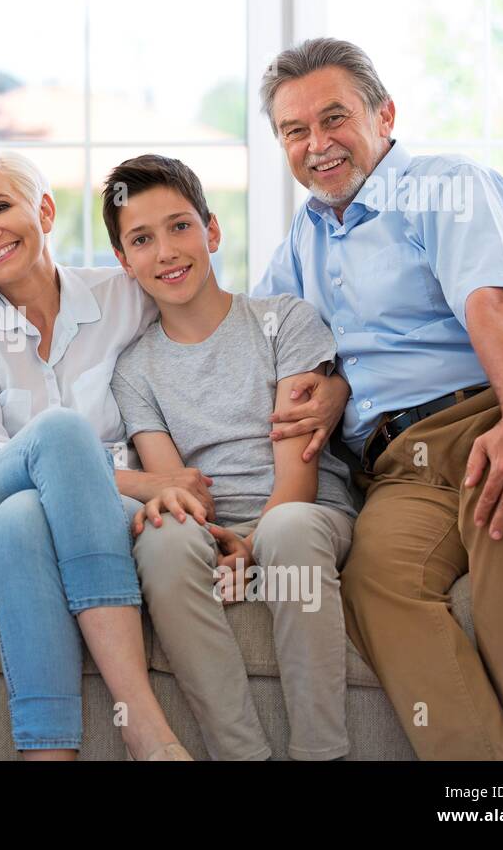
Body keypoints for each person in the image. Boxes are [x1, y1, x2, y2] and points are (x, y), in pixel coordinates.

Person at [253, 37, 503, 760]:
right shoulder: (305, 237)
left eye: (335, 118)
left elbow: (492, 305)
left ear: (384, 115)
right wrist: (335, 384)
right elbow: (260, 338)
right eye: (294, 131)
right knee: (374, 582)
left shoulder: (445, 185)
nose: (317, 144)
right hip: (407, 464)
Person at [0, 148, 190, 760]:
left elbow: (211, 321)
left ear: (43, 209)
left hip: (75, 522)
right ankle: (144, 726)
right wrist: (147, 483)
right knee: (60, 437)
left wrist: (323, 373)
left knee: (28, 519)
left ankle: (48, 755)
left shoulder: (125, 296)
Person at [103, 153, 358, 760]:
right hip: (214, 522)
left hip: (304, 511)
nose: (165, 251)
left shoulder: (284, 321)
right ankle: (240, 754)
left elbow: (299, 466)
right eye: (142, 239)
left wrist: (257, 541)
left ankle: (320, 752)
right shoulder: (134, 369)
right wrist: (220, 536)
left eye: (179, 226)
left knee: (289, 529)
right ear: (124, 260)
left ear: (211, 230)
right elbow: (177, 487)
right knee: (163, 536)